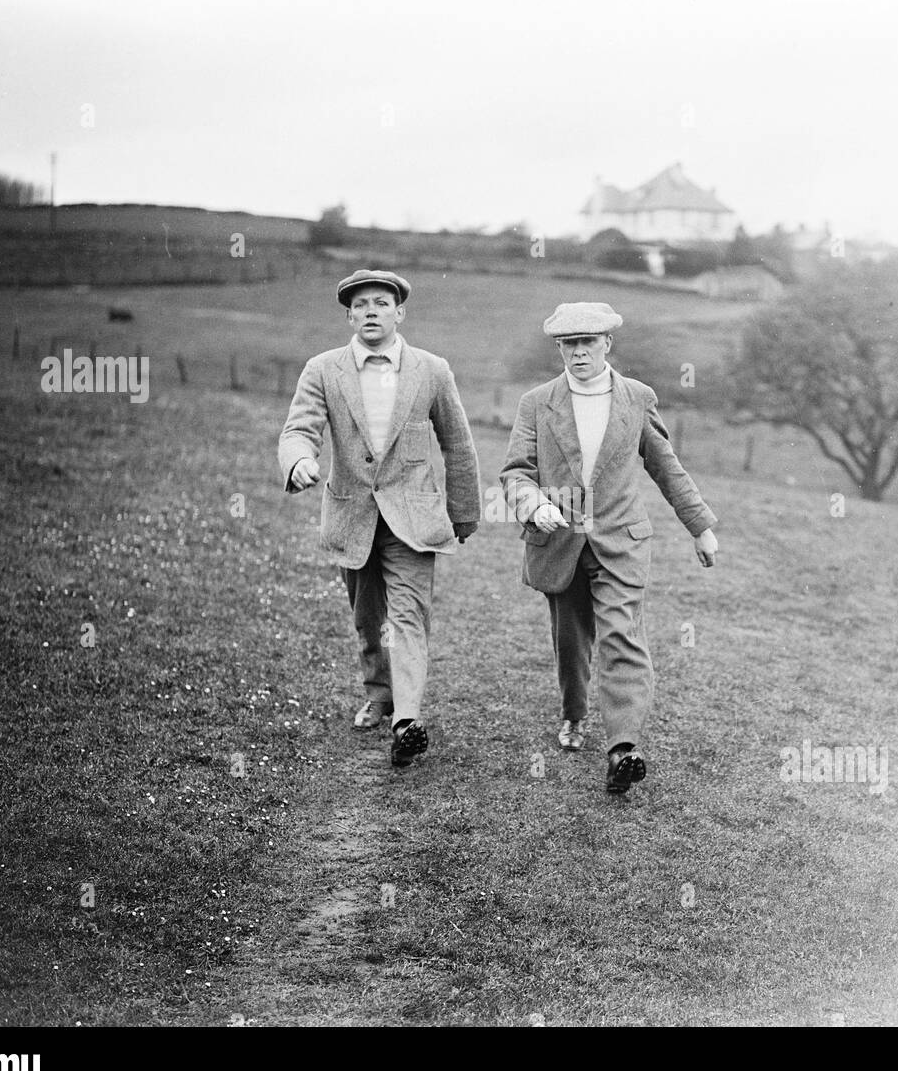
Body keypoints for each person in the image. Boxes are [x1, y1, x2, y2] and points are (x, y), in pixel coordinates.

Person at [499, 302, 718, 795]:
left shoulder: (638, 398)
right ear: (559, 348)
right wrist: (533, 503)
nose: (577, 353)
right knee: (572, 641)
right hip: (558, 541)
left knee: (622, 635)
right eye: (567, 344)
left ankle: (623, 747)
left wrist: (700, 526)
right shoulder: (536, 402)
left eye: (587, 343)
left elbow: (666, 466)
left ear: (607, 345)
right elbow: (515, 472)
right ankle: (574, 714)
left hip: (623, 541)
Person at [279, 269, 481, 767]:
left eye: (381, 303)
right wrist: (300, 460)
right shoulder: (323, 369)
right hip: (352, 515)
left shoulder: (432, 369)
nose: (371, 311)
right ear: (350, 315)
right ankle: (379, 692)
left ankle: (407, 721)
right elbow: (298, 429)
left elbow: (457, 443)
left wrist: (464, 511)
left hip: (414, 518)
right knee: (368, 618)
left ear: (399, 313)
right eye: (361, 304)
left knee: (410, 618)